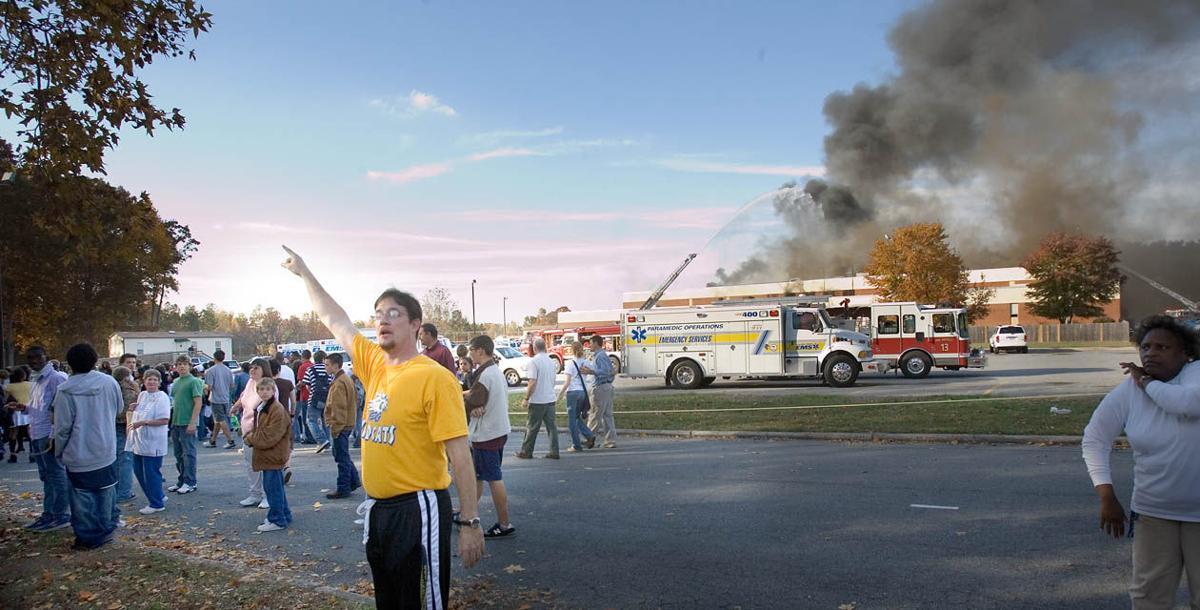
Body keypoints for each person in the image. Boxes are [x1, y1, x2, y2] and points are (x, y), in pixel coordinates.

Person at [281, 244, 483, 609]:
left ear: (416, 324)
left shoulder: (434, 377)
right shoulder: (374, 363)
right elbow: (335, 319)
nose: (383, 320)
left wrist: (469, 522)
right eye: (378, 314)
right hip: (378, 510)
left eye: (393, 313)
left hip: (418, 508)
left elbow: (460, 455)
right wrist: (305, 274)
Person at [1083, 314, 1200, 608]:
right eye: (1146, 347)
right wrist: (1106, 494)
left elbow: (1188, 404)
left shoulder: (1195, 374)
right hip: (1153, 511)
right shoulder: (1128, 391)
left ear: (1185, 353)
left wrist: (1146, 382)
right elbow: (1095, 439)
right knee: (1149, 597)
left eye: (1163, 347)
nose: (1151, 353)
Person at [53, 343, 122, 550]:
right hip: (105, 447)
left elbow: (63, 427)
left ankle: (87, 536)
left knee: (82, 496)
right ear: (94, 360)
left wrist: (58, 450)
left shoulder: (65, 391)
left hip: (78, 451)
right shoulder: (109, 382)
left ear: (70, 365)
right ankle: (107, 528)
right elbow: (119, 408)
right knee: (106, 491)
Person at [463, 336, 515, 538]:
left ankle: (504, 524)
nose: (470, 354)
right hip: (497, 430)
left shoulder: (485, 375)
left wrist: (466, 402)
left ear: (481, 350)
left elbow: (474, 399)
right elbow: (476, 397)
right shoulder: (495, 371)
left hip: (487, 434)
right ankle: (467, 513)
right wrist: (471, 402)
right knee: (479, 476)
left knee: (493, 478)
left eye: (472, 350)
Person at [22, 346, 72, 531]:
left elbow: (61, 409)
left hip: (48, 435)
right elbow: (39, 407)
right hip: (36, 433)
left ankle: (61, 515)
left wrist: (53, 434)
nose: (33, 361)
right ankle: (49, 513)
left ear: (47, 357)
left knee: (57, 476)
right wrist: (23, 408)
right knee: (47, 477)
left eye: (37, 357)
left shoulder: (56, 378)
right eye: (30, 357)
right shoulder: (36, 379)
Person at [243, 377, 293, 532]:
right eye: (261, 389)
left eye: (267, 389)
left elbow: (270, 436)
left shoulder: (276, 409)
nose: (264, 392)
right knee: (275, 488)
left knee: (273, 489)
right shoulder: (264, 407)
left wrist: (250, 439)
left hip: (273, 454)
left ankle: (277, 520)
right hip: (269, 454)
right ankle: (284, 514)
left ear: (273, 391)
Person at [126, 368, 171, 515]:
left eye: (155, 380)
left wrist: (144, 422)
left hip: (154, 441)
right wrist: (133, 408)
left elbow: (164, 420)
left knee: (151, 473)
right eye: (149, 379)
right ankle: (158, 495)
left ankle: (156, 503)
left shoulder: (162, 397)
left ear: (159, 382)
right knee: (138, 470)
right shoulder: (143, 395)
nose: (151, 382)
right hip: (140, 440)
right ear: (144, 381)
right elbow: (141, 412)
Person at [234, 358, 274, 509]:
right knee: (251, 465)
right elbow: (243, 398)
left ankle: (267, 496)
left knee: (264, 465)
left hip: (260, 432)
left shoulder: (267, 385)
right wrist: (236, 406)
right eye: (251, 367)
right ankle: (254, 494)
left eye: (256, 368)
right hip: (247, 430)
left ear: (264, 369)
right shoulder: (250, 383)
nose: (252, 370)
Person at [323, 352, 361, 499]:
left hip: (341, 425)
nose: (325, 367)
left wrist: (336, 427)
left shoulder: (339, 383)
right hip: (347, 423)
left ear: (335, 365)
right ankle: (353, 481)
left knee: (341, 458)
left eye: (327, 365)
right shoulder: (345, 379)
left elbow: (338, 408)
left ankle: (343, 487)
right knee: (342, 455)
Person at [517, 338, 560, 459]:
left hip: (538, 400)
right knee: (552, 427)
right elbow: (553, 380)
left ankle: (526, 451)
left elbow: (532, 382)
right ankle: (554, 451)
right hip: (550, 398)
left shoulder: (534, 362)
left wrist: (526, 398)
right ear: (544, 347)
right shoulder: (551, 361)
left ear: (535, 348)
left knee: (532, 427)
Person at [167, 355, 203, 494]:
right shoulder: (176, 382)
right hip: (176, 421)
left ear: (189, 366)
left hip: (187, 422)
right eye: (179, 364)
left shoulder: (194, 381)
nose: (182, 366)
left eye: (184, 364)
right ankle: (181, 480)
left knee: (189, 453)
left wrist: (193, 422)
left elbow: (198, 403)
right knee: (178, 454)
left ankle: (190, 482)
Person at [556, 341, 596, 453]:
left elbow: (567, 382)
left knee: (572, 421)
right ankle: (589, 435)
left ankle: (576, 445)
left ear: (572, 350)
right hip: (582, 392)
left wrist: (560, 395)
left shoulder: (570, 363)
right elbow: (594, 370)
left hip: (573, 393)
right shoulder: (585, 362)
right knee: (577, 417)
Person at [112, 365, 139, 504]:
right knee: (125, 460)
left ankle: (118, 489)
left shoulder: (112, 389)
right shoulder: (130, 391)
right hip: (125, 426)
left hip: (115, 426)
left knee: (117, 460)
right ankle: (124, 491)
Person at [586, 335, 618, 448]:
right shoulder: (603, 355)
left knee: (595, 415)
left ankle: (589, 438)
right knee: (607, 416)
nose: (589, 345)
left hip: (600, 388)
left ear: (596, 343)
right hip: (607, 387)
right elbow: (611, 371)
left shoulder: (600, 356)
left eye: (590, 343)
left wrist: (591, 371)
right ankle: (610, 441)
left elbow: (605, 371)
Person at [203, 350, 237, 449]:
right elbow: (232, 385)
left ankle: (230, 440)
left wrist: (203, 387)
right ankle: (213, 440)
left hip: (216, 398)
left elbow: (209, 386)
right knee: (218, 420)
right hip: (226, 397)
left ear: (214, 358)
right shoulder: (228, 370)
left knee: (220, 420)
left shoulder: (210, 371)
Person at [302, 350, 332, 453]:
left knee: (311, 420)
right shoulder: (328, 369)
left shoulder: (310, 369)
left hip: (314, 400)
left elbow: (307, 385)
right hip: (327, 399)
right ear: (324, 359)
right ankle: (327, 442)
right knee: (325, 421)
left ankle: (322, 440)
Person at [5, 366, 33, 462]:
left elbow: (6, 399)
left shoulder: (8, 387)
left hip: (14, 411)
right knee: (30, 431)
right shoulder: (30, 385)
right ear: (23, 376)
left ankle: (13, 455)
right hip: (27, 409)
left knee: (13, 432)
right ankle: (32, 454)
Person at [295, 349, 315, 444]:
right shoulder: (313, 366)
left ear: (302, 357)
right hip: (314, 395)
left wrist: (296, 387)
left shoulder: (302, 367)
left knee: (305, 418)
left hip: (305, 395)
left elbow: (301, 382)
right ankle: (314, 435)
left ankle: (309, 437)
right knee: (314, 417)